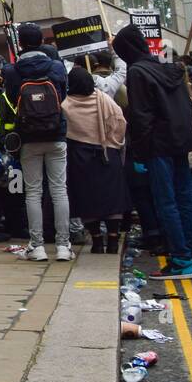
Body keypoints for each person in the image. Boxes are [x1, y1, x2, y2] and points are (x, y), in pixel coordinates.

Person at [113, 22, 192, 280]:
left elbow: (141, 118)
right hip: (184, 142)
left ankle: (181, 259)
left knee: (167, 203)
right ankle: (190, 251)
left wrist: (140, 153)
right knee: (185, 198)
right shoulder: (171, 67)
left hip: (158, 147)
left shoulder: (137, 73)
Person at [3, 22, 71, 262]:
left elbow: (13, 99)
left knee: (32, 192)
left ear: (19, 43)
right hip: (56, 134)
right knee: (59, 190)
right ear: (41, 41)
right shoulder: (56, 67)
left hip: (28, 136)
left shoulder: (11, 70)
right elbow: (63, 95)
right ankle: (63, 246)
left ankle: (37, 246)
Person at [63, 66, 128, 254]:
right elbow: (120, 122)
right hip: (107, 153)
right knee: (113, 198)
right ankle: (114, 240)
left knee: (87, 199)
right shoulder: (104, 99)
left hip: (80, 157)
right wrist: (114, 143)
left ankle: (97, 242)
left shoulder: (66, 105)